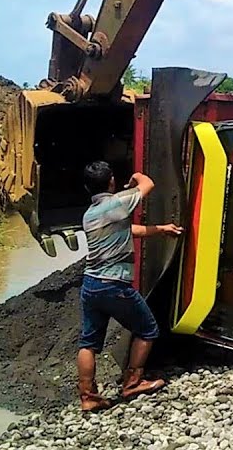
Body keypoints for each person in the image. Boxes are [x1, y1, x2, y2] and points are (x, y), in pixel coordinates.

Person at [77, 161, 183, 412]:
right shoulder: (118, 202)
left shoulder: (90, 214)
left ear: (86, 187)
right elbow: (148, 183)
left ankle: (88, 396)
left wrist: (161, 229)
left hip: (91, 285)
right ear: (111, 181)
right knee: (147, 329)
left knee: (88, 343)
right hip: (115, 285)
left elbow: (127, 230)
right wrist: (135, 175)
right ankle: (132, 383)